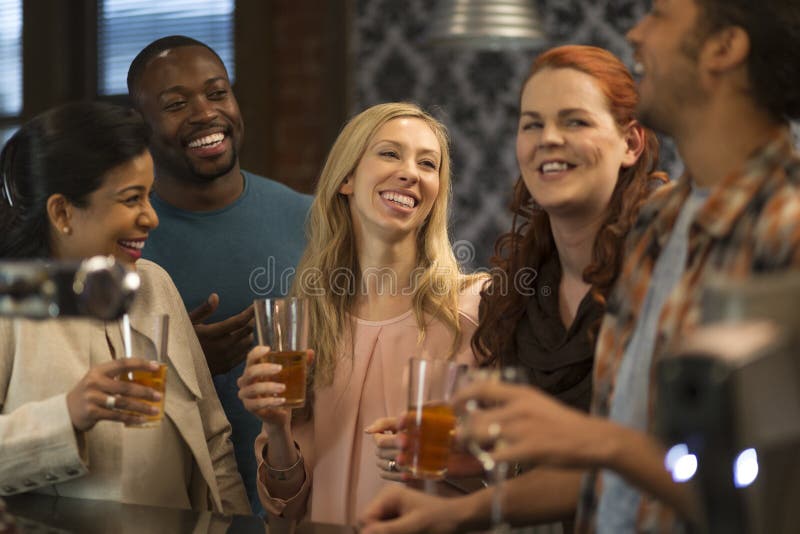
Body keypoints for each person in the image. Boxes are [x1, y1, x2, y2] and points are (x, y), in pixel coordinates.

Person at [359, 0, 800, 532]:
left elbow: (769, 493)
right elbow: (621, 469)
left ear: (724, 47)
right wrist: (460, 511)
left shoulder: (786, 226)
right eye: (532, 123)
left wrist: (593, 439)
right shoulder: (662, 222)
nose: (636, 33)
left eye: (660, 14)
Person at [236, 102, 486, 525]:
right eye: (390, 153)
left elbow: (513, 471)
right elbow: (287, 508)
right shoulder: (300, 322)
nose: (410, 172)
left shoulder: (475, 307)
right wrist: (277, 428)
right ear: (347, 178)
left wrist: (444, 457)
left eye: (428, 163)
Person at [0, 101, 249, 514]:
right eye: (131, 199)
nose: (151, 217)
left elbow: (214, 442)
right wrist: (68, 414)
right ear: (62, 212)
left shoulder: (154, 283)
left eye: (149, 196)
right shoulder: (12, 301)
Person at [126, 35, 312, 513]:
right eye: (175, 104)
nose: (205, 113)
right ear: (140, 127)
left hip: (301, 505)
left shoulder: (311, 220)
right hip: (177, 510)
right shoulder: (125, 242)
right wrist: (188, 367)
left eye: (216, 92)